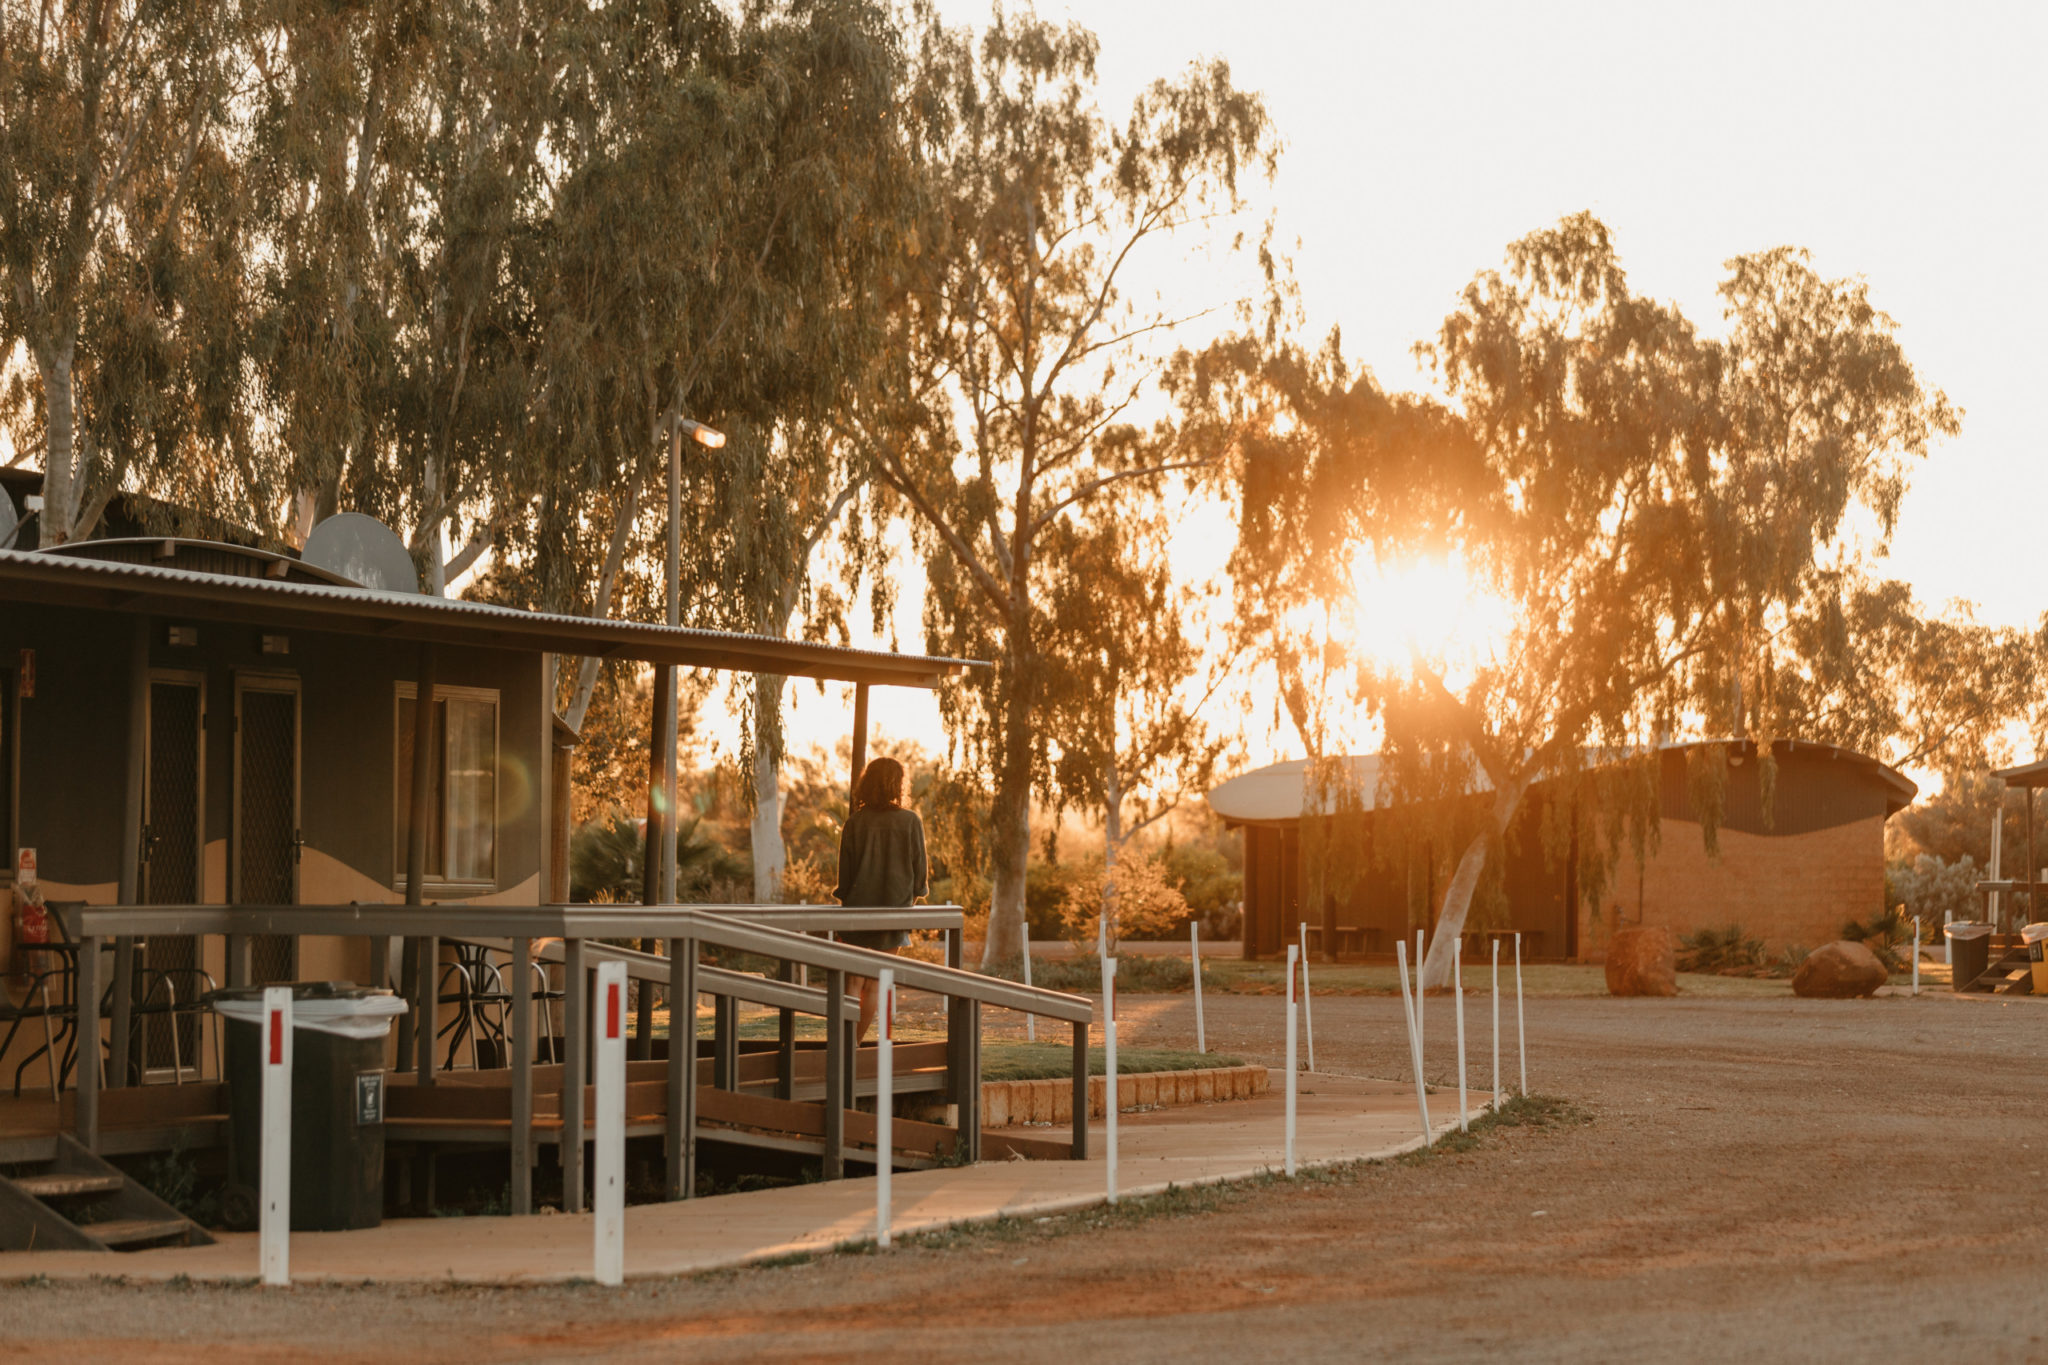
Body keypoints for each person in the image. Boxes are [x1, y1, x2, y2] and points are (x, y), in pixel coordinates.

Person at [833, 755, 928, 1041]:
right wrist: (908, 902)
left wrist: (847, 906)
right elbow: (920, 875)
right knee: (875, 984)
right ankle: (854, 1045)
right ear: (898, 785)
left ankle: (843, 1047)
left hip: (857, 913)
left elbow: (845, 878)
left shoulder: (855, 823)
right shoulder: (910, 821)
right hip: (894, 913)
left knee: (852, 982)